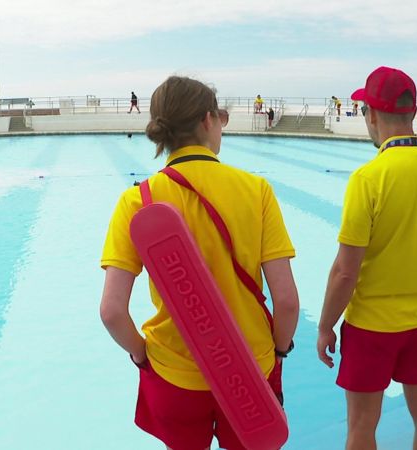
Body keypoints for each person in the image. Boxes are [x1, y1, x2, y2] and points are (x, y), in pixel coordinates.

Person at [100, 75, 300, 450]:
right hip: (249, 374)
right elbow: (287, 301)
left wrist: (144, 355)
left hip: (173, 374)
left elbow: (112, 312)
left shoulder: (137, 201)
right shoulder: (257, 192)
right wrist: (277, 352)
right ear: (208, 120)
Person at [320, 66, 417, 450]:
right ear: (412, 113)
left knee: (362, 426)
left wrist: (325, 326)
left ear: (371, 114)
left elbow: (344, 272)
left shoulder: (368, 180)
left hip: (371, 327)